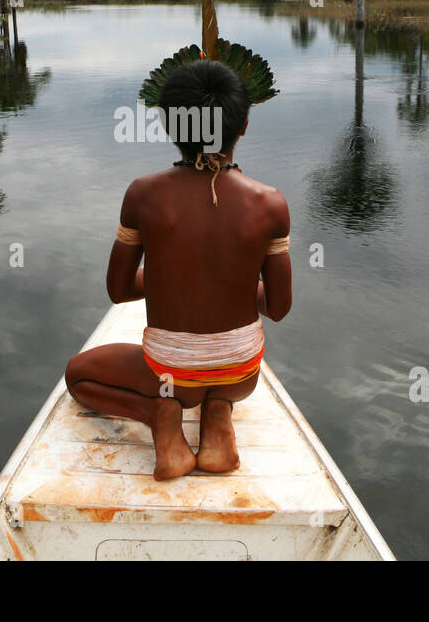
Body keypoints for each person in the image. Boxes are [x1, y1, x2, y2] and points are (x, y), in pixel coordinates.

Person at [64, 59, 292, 480]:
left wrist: (174, 282)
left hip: (171, 378)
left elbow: (118, 290)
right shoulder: (271, 202)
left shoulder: (143, 194)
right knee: (221, 383)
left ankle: (159, 418)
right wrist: (231, 286)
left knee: (77, 376)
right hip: (241, 373)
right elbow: (277, 308)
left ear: (170, 126)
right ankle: (218, 414)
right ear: (242, 126)